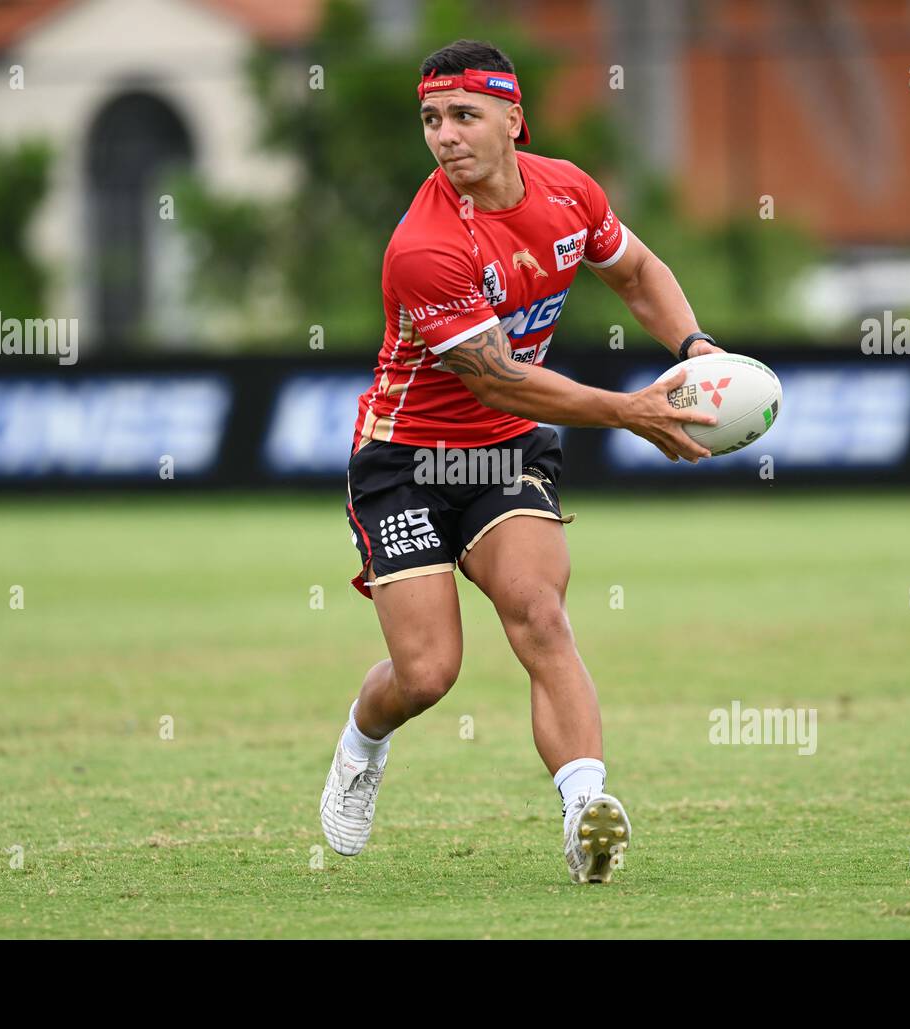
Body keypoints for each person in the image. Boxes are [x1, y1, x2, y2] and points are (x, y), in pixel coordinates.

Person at [322, 38, 724, 884]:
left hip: (504, 456)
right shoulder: (424, 246)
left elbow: (639, 270)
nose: (445, 136)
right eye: (431, 119)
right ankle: (362, 742)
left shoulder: (569, 191)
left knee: (540, 612)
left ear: (514, 118)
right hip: (406, 462)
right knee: (428, 674)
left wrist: (694, 346)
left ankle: (587, 811)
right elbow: (501, 379)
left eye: (464, 116)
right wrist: (630, 411)